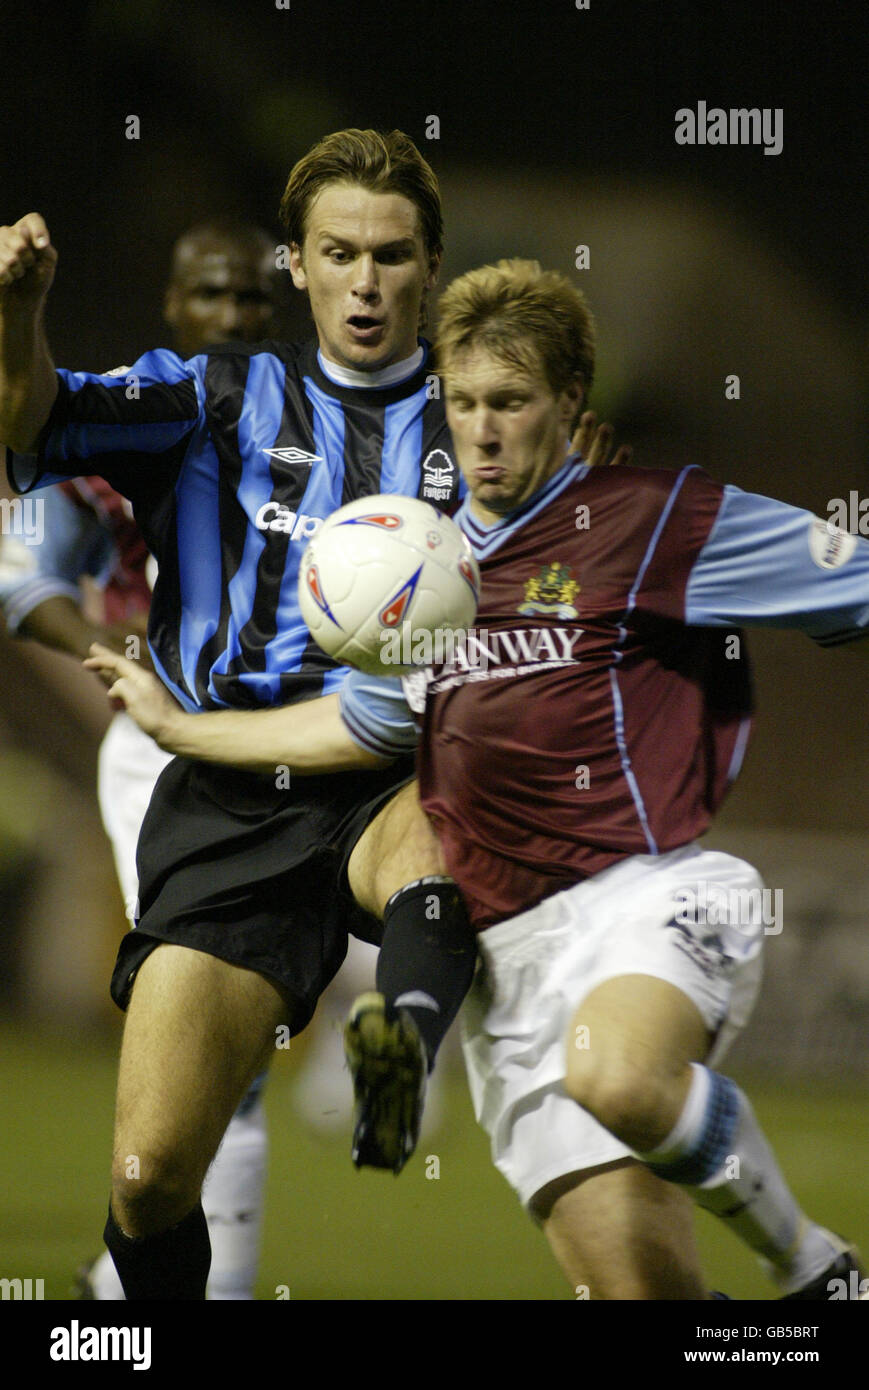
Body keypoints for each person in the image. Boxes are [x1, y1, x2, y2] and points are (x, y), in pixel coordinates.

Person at [87, 258, 868, 1300]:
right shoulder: (423, 569)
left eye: (511, 402)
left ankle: (814, 1268)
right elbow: (347, 726)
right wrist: (178, 726)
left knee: (619, 1074)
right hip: (510, 972)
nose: (483, 428)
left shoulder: (653, 517)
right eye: (462, 403)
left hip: (638, 898)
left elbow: (849, 580)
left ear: (567, 405)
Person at [0, 131, 623, 1301]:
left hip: (390, 764)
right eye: (339, 253)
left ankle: (400, 1049)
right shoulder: (211, 396)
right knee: (144, 1178)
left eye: (393, 256)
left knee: (433, 846)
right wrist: (17, 313)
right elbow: (32, 427)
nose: (367, 282)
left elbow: (581, 562)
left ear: (432, 265)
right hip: (227, 792)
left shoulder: (484, 423)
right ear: (295, 262)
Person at [0, 217, 282, 1300]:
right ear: (173, 306)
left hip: (295, 749)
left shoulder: (316, 429)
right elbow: (25, 582)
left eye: (253, 299)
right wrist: (120, 657)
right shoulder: (123, 422)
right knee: (219, 1028)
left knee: (238, 1033)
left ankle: (140, 1292)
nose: (231, 316)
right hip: (161, 750)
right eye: (210, 296)